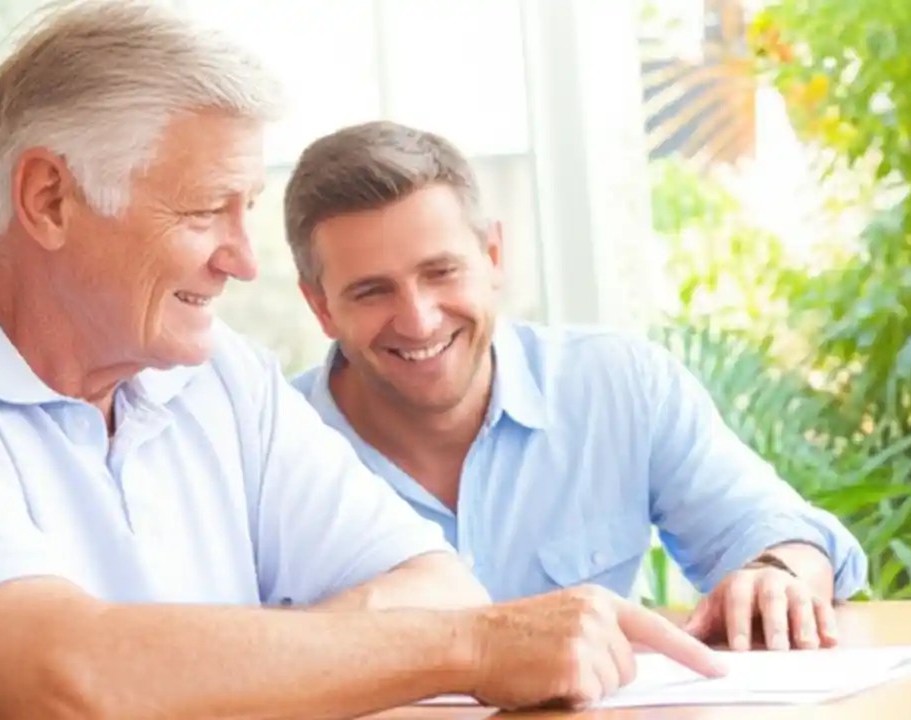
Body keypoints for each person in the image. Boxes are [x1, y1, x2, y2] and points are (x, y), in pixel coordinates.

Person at [0, 2, 724, 718]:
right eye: (205, 212)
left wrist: (193, 678)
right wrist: (470, 650)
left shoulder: (220, 376)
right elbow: (63, 683)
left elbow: (436, 587)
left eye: (248, 211)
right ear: (50, 199)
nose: (242, 260)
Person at [285, 120, 871, 655]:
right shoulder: (271, 450)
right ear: (321, 307)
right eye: (371, 292)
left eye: (441, 272)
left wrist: (776, 574)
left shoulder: (618, 384)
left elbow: (780, 530)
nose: (418, 320)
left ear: (493, 256)